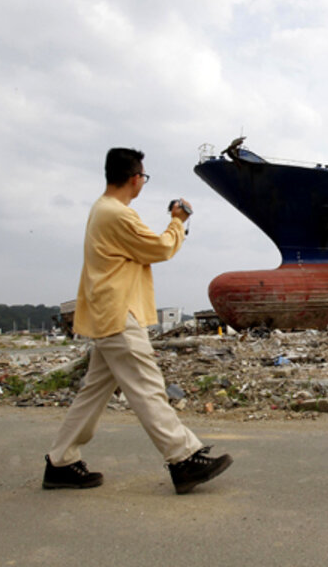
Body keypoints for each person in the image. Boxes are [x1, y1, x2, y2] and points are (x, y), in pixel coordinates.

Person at [42, 147, 232, 494]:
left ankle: (61, 462)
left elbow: (143, 248)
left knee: (93, 393)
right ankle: (183, 458)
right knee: (147, 386)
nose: (143, 182)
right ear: (135, 178)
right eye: (143, 176)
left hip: (106, 312)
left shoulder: (101, 209)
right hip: (118, 313)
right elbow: (159, 248)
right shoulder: (117, 214)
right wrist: (178, 221)